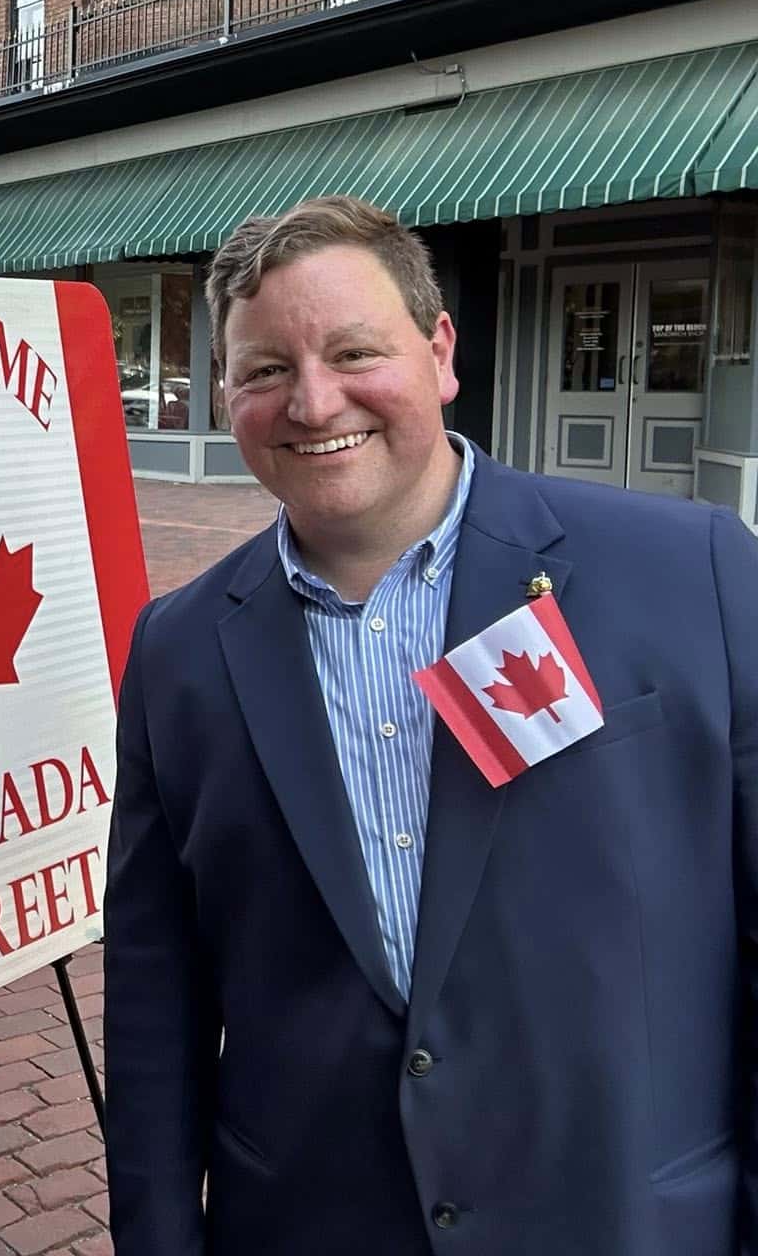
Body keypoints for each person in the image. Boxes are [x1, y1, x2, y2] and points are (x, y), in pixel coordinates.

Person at [103, 197, 758, 1256]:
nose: (313, 403)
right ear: (225, 392)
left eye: (354, 351)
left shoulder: (691, 573)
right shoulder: (177, 650)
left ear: (439, 351)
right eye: (264, 369)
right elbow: (152, 995)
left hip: (624, 1219)